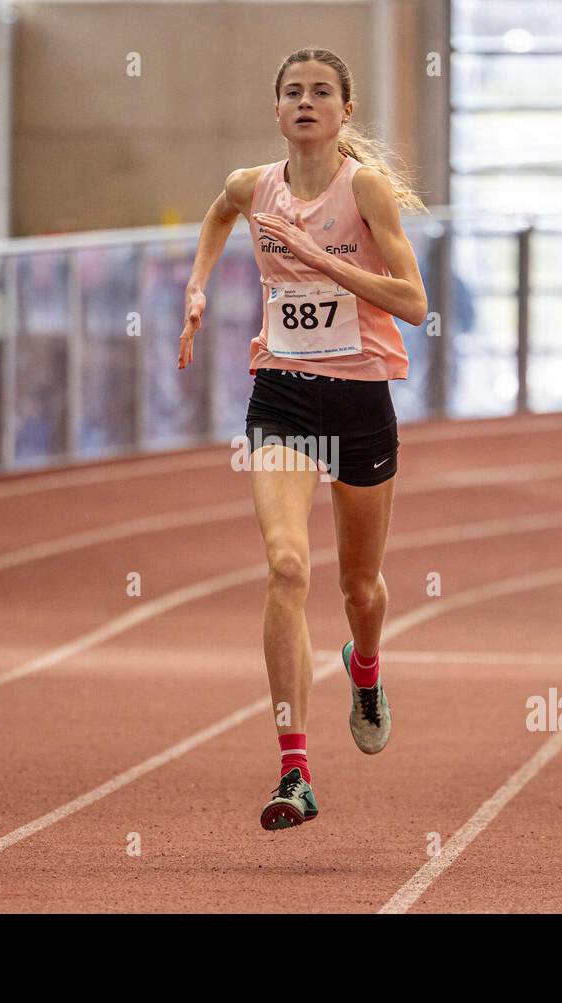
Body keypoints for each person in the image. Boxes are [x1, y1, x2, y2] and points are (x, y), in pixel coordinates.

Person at [178, 47, 428, 830]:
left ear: (344, 111)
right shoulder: (254, 187)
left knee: (361, 588)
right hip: (282, 394)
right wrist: (197, 281)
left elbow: (414, 302)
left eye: (323, 91)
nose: (307, 102)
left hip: (360, 400)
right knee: (287, 565)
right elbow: (221, 212)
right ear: (276, 109)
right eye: (293, 91)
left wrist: (326, 261)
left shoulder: (367, 191)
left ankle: (366, 667)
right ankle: (295, 769)